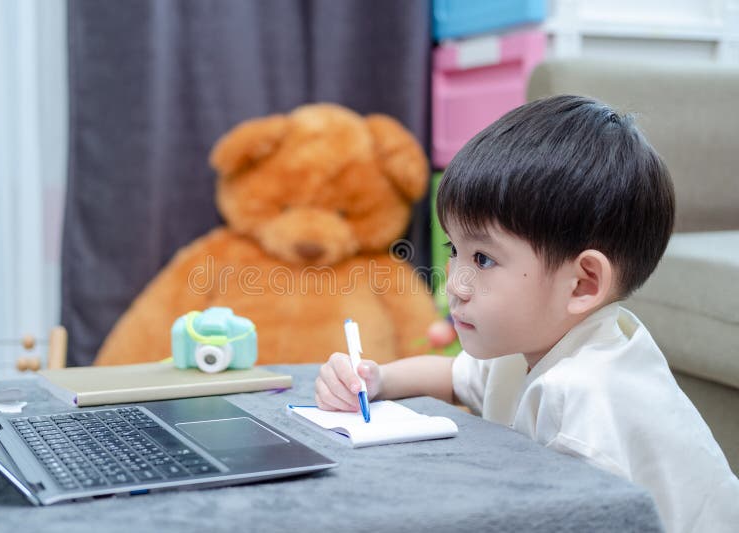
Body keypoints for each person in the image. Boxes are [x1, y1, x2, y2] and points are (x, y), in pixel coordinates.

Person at [315, 95, 739, 533]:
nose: (455, 285)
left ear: (582, 284)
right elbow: (455, 375)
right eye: (454, 250)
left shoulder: (587, 402)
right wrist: (378, 380)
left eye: (482, 259)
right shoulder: (532, 341)